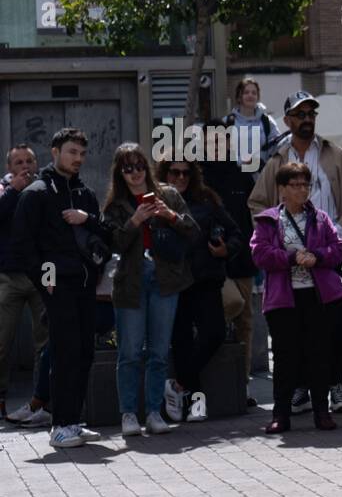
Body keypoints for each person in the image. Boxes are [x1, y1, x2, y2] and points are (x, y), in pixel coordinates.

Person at [248, 91, 342, 415]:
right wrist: (276, 238)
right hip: (292, 260)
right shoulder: (276, 160)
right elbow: (256, 203)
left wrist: (340, 230)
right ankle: (302, 390)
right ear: (287, 120)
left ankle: (336, 388)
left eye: (311, 114)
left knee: (339, 320)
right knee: (298, 326)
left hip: (335, 255)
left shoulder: (337, 155)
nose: (307, 120)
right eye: (300, 115)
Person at [10, 128, 113, 448]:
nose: (78, 159)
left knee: (84, 353)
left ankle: (73, 421)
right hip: (59, 288)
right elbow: (25, 248)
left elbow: (104, 237)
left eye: (82, 153)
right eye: (72, 152)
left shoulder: (85, 194)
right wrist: (48, 283)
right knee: (65, 354)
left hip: (86, 286)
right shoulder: (37, 193)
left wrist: (88, 222)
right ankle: (60, 425)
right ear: (55, 152)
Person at [102, 143, 199, 436]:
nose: (134, 173)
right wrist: (135, 221)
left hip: (164, 278)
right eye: (127, 168)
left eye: (139, 166)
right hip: (130, 281)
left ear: (147, 166)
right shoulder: (115, 205)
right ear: (120, 172)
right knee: (130, 352)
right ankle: (129, 414)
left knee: (158, 351)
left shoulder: (167, 194)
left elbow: (193, 231)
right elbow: (113, 243)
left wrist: (169, 214)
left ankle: (154, 412)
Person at [250, 161, 342, 432]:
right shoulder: (268, 220)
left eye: (306, 184)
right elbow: (260, 254)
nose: (302, 190)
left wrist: (317, 257)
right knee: (285, 358)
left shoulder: (321, 218)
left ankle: (322, 412)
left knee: (319, 355)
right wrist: (292, 257)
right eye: (295, 185)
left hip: (319, 297)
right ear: (282, 189)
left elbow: (338, 249)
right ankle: (280, 415)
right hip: (283, 299)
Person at [160, 150, 241, 422]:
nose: (181, 177)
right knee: (181, 342)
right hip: (173, 281)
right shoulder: (156, 199)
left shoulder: (206, 199)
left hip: (205, 278)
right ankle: (195, 406)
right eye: (175, 172)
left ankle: (178, 385)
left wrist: (224, 250)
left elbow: (236, 233)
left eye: (185, 172)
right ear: (164, 173)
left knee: (214, 333)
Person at [200, 122, 259, 405]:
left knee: (245, 324)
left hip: (242, 260)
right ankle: (207, 382)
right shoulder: (197, 176)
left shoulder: (242, 174)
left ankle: (241, 383)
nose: (218, 145)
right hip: (208, 264)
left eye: (223, 139)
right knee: (213, 321)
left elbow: (252, 217)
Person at [0, 145, 47, 421]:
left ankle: (39, 400)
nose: (25, 166)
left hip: (40, 274)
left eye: (29, 161)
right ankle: (2, 396)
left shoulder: (43, 188)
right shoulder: (4, 189)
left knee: (44, 341)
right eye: (19, 162)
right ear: (10, 167)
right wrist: (15, 190)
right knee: (2, 342)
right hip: (8, 275)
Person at [224, 77, 284, 169]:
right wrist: (241, 161)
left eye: (254, 93)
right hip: (234, 177)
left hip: (262, 177)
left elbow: (278, 148)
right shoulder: (227, 122)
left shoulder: (267, 121)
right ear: (239, 97)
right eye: (246, 92)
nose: (250, 95)